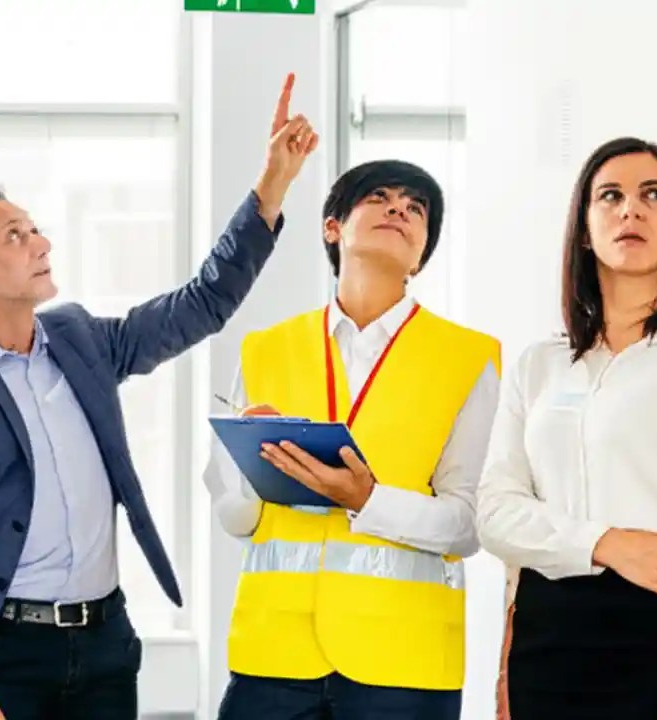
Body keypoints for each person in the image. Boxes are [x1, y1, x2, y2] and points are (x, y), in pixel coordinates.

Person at [0, 73, 318, 720]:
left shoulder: (79, 339)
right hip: (3, 657)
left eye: (34, 229)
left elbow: (200, 303)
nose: (42, 243)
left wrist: (273, 184)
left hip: (105, 646)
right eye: (16, 236)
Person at [203, 158, 501, 720]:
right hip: (274, 659)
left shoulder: (468, 358)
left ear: (421, 254)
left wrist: (368, 501)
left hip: (402, 665)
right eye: (380, 197)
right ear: (332, 227)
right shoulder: (266, 349)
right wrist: (256, 466)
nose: (399, 210)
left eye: (416, 209)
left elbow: (469, 525)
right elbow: (234, 517)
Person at [476, 136, 657, 720]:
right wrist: (607, 543)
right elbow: (495, 514)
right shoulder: (539, 364)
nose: (631, 209)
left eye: (653, 195)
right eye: (611, 195)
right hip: (545, 648)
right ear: (584, 228)